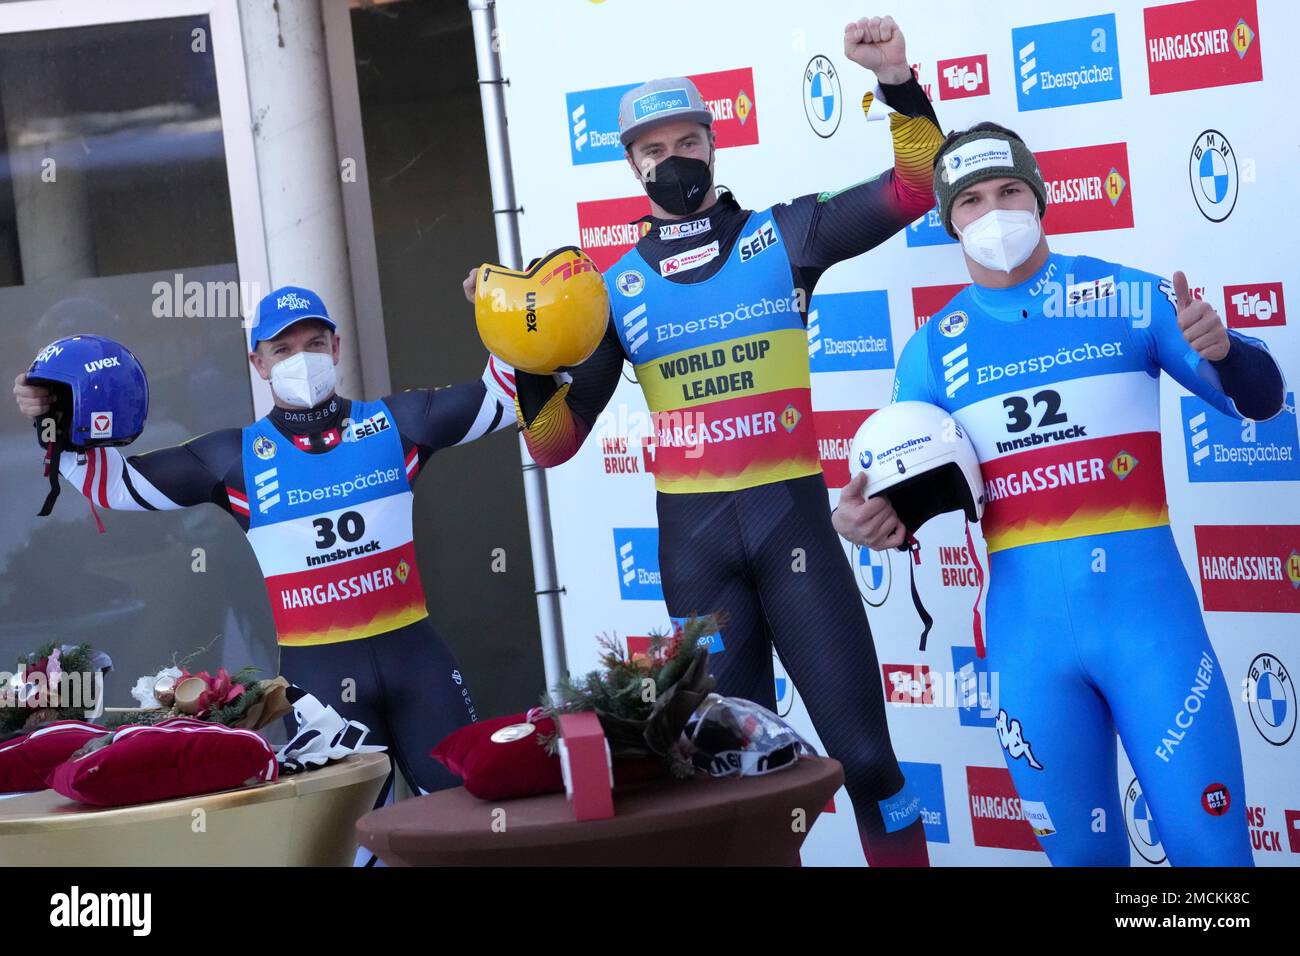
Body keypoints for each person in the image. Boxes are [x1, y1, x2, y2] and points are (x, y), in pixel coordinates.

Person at [465, 16, 943, 866]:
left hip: (791, 528)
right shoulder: (607, 292)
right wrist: (524, 344)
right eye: (655, 149)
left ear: (715, 146)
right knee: (737, 785)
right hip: (695, 551)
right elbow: (551, 444)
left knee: (867, 763)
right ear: (632, 166)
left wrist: (898, 83)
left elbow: (913, 187)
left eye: (689, 139)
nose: (674, 158)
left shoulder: (785, 234)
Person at [833, 121, 1285, 865]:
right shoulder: (931, 352)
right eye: (972, 199)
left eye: (1010, 190)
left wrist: (1228, 350)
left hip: (1152, 633)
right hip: (1027, 645)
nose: (994, 211)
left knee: (1216, 864)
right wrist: (862, 521)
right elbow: (890, 502)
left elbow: (1262, 400)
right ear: (950, 221)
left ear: (1038, 196)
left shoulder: (1127, 297)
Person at [13, 285, 518, 820]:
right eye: (282, 349)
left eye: (315, 343)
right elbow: (109, 483)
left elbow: (502, 397)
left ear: (337, 348)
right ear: (258, 362)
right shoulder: (232, 458)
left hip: (419, 663)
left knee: (468, 822)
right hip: (320, 676)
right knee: (350, 841)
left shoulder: (398, 423)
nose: (302, 358)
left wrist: (504, 304)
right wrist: (53, 414)